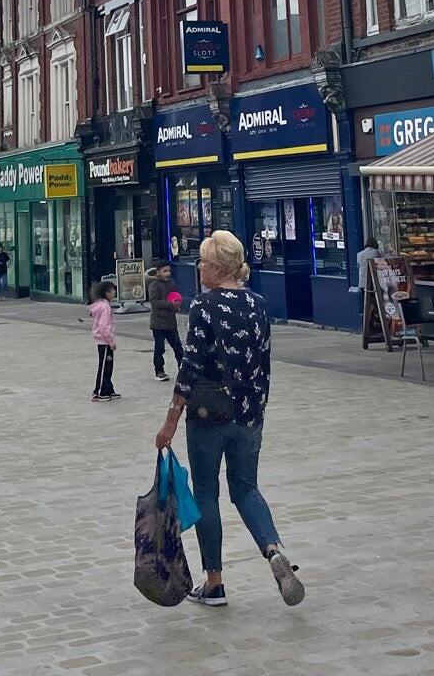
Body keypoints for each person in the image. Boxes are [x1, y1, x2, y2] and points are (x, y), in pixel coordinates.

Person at [154, 230, 303, 608]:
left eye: (202, 261)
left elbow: (189, 367)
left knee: (206, 491)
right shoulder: (258, 304)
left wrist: (170, 420)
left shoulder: (204, 306)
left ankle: (215, 581)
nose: (198, 267)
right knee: (246, 489)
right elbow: (264, 362)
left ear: (217, 266)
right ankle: (272, 550)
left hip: (209, 414)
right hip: (249, 413)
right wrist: (258, 407)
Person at [146, 263, 184, 381]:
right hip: (158, 323)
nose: (167, 273)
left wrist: (177, 304)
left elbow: (174, 296)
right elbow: (154, 302)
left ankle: (183, 369)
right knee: (160, 348)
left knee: (178, 346)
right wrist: (170, 305)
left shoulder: (171, 283)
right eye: (164, 271)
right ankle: (159, 371)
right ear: (158, 272)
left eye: (169, 271)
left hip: (170, 322)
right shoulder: (154, 285)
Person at [88, 280, 119, 401]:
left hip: (103, 341)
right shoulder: (105, 307)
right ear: (107, 293)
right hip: (104, 342)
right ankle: (99, 391)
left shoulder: (101, 305)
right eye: (112, 290)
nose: (114, 292)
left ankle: (108, 388)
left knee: (108, 366)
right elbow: (104, 327)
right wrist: (111, 342)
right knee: (104, 367)